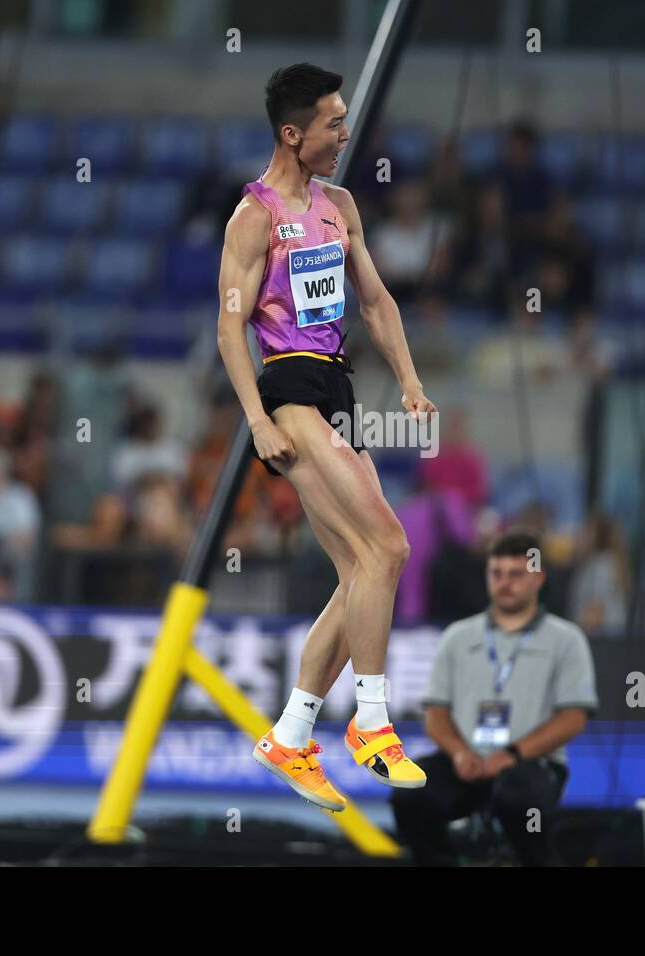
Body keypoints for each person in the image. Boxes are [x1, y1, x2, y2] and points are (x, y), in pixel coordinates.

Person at [216, 63, 437, 811]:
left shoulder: (340, 206)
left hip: (337, 386)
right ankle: (372, 724)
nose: (345, 135)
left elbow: (374, 301)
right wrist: (254, 419)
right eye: (333, 124)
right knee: (392, 547)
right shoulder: (254, 216)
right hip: (289, 390)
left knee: (360, 575)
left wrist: (407, 379)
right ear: (292, 133)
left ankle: (290, 733)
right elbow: (229, 324)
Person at [392, 531, 597, 866]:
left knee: (521, 802)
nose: (505, 583)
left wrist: (513, 754)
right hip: (466, 761)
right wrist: (459, 753)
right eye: (496, 574)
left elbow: (573, 716)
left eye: (516, 574)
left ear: (539, 577)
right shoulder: (458, 636)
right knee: (410, 797)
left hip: (534, 765)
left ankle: (538, 861)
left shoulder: (566, 639)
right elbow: (436, 712)